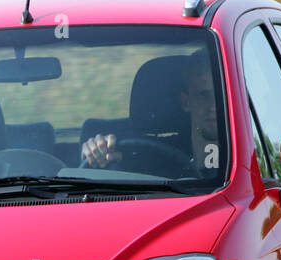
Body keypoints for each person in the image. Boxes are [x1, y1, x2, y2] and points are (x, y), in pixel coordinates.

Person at [80, 51, 218, 175]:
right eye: (203, 94)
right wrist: (98, 151)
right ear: (186, 102)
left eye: (221, 95)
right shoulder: (153, 155)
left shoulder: (240, 161)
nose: (213, 106)